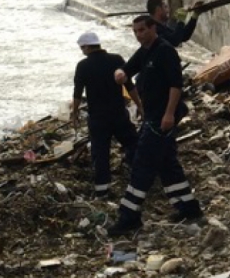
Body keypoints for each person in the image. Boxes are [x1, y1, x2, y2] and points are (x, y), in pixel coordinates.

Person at [107, 15, 203, 236]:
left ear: (153, 28)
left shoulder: (165, 51)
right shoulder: (146, 51)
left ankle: (129, 216)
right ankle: (188, 207)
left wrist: (169, 114)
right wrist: (120, 73)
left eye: (142, 30)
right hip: (151, 116)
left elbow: (175, 85)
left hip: (161, 118)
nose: (139, 35)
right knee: (167, 163)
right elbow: (128, 68)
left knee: (142, 164)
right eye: (136, 32)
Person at [72, 31, 139, 200]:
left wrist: (74, 113)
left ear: (87, 47)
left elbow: (78, 92)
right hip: (118, 114)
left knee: (100, 152)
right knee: (133, 143)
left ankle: (102, 190)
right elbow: (130, 85)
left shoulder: (83, 66)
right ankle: (140, 177)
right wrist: (140, 105)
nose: (82, 51)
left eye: (82, 48)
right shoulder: (116, 60)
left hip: (98, 117)